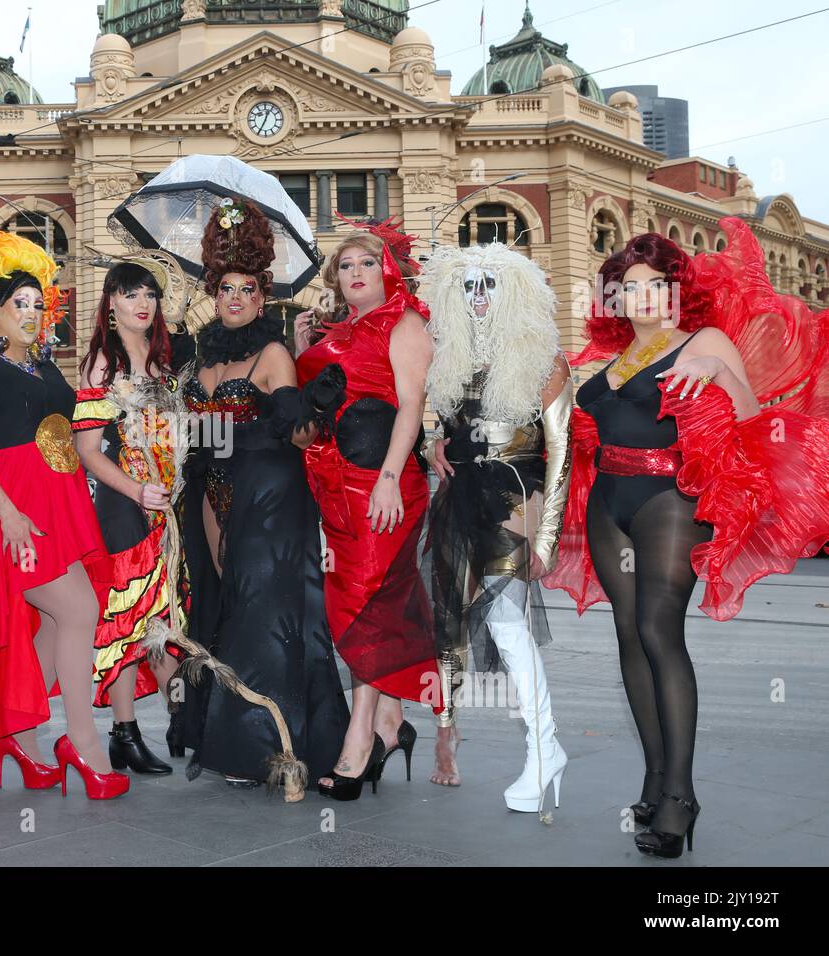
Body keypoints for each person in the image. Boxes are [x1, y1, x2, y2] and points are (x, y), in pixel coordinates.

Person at [546, 219, 829, 857]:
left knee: (656, 631)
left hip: (671, 500)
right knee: (627, 637)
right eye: (625, 285)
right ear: (611, 297)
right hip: (609, 504)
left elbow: (755, 424)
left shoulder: (703, 339)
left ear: (675, 292)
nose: (639, 295)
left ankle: (679, 796)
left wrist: (719, 374)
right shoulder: (607, 362)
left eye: (654, 283)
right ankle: (654, 777)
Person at [0, 230, 129, 799]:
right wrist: (9, 515)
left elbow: (69, 435)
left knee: (49, 624)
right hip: (11, 513)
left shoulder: (46, 370)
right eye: (21, 304)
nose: (34, 313)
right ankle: (83, 746)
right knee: (81, 610)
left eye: (41, 305)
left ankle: (19, 737)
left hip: (57, 507)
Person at [177, 198, 349, 787]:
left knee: (264, 619)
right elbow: (201, 457)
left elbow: (299, 436)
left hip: (274, 500)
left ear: (260, 296)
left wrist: (317, 399)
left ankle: (268, 747)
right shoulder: (198, 368)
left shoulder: (274, 354)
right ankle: (258, 740)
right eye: (224, 288)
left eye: (245, 289)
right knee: (230, 616)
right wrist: (209, 521)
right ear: (213, 293)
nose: (234, 298)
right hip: (219, 503)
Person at [420, 241, 573, 812]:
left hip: (517, 493)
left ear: (514, 292)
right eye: (468, 286)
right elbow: (449, 426)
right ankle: (538, 751)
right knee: (453, 620)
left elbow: (561, 451)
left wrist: (548, 536)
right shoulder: (450, 358)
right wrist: (438, 440)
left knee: (508, 622)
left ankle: (543, 750)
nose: (479, 296)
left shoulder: (545, 358)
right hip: (460, 497)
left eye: (491, 284)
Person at [294, 222, 439, 799]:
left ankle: (359, 740)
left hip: (385, 485)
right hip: (334, 485)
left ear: (386, 272)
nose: (354, 274)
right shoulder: (337, 331)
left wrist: (387, 482)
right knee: (352, 604)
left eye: (364, 264)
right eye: (345, 266)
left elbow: (411, 410)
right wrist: (307, 349)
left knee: (367, 608)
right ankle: (389, 723)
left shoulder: (404, 325)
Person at [72, 257, 187, 775]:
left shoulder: (164, 360)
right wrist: (137, 490)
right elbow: (87, 449)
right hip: (125, 505)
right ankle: (124, 733)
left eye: (150, 295)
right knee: (128, 618)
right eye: (132, 294)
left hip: (168, 507)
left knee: (163, 620)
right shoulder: (104, 362)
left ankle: (183, 719)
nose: (144, 304)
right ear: (112, 302)